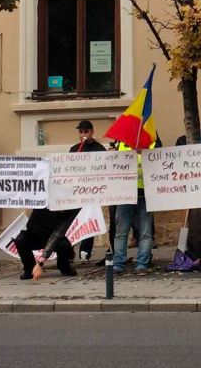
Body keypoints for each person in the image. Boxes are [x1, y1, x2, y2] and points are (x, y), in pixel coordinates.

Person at [111, 136, 160, 276]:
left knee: (145, 232)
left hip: (145, 193)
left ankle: (142, 264)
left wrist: (142, 153)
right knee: (121, 232)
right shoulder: (122, 145)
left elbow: (157, 164)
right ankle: (118, 264)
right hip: (125, 194)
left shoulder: (151, 145)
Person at [69, 120, 106, 261]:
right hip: (77, 190)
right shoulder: (74, 149)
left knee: (89, 218)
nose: (83, 134)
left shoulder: (99, 149)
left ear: (92, 132)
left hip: (92, 190)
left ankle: (85, 250)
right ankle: (69, 250)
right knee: (73, 220)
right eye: (81, 132)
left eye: (86, 131)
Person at [14, 206, 79, 279]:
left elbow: (56, 235)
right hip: (34, 234)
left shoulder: (73, 209)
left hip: (53, 237)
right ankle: (30, 270)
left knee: (64, 245)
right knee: (21, 240)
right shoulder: (43, 204)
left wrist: (40, 263)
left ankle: (65, 268)